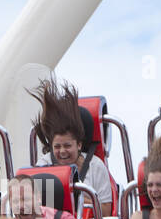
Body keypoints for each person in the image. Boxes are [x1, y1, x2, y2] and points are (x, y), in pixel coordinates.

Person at [29, 77, 114, 206]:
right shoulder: (43, 165)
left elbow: (106, 209)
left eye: (67, 145)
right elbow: (36, 205)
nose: (62, 151)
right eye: (57, 146)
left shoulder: (95, 166)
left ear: (79, 145)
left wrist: (77, 202)